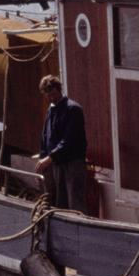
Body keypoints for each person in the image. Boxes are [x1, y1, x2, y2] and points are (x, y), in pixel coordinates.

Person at [35, 73, 89, 212]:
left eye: (53, 93)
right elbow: (46, 136)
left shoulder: (73, 109)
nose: (51, 98)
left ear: (59, 89)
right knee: (60, 202)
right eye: (48, 95)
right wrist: (43, 159)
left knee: (75, 202)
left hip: (73, 163)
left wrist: (49, 158)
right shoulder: (51, 109)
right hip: (56, 163)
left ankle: (80, 229)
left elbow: (69, 140)